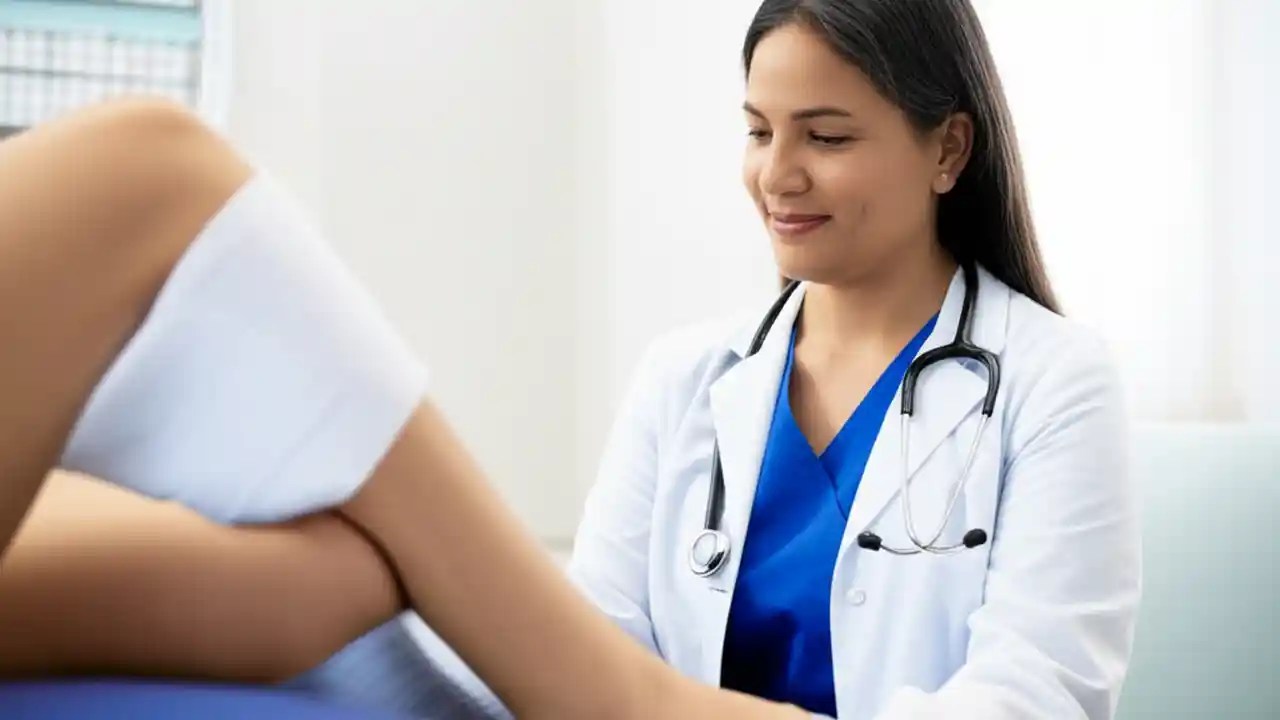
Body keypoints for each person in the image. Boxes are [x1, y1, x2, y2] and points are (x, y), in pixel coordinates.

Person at [0, 0, 1142, 718]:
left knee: (336, 585)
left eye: (824, 137)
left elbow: (1032, 695)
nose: (774, 175)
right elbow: (589, 650)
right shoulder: (688, 377)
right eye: (756, 130)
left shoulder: (1052, 382)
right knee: (335, 591)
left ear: (947, 147)